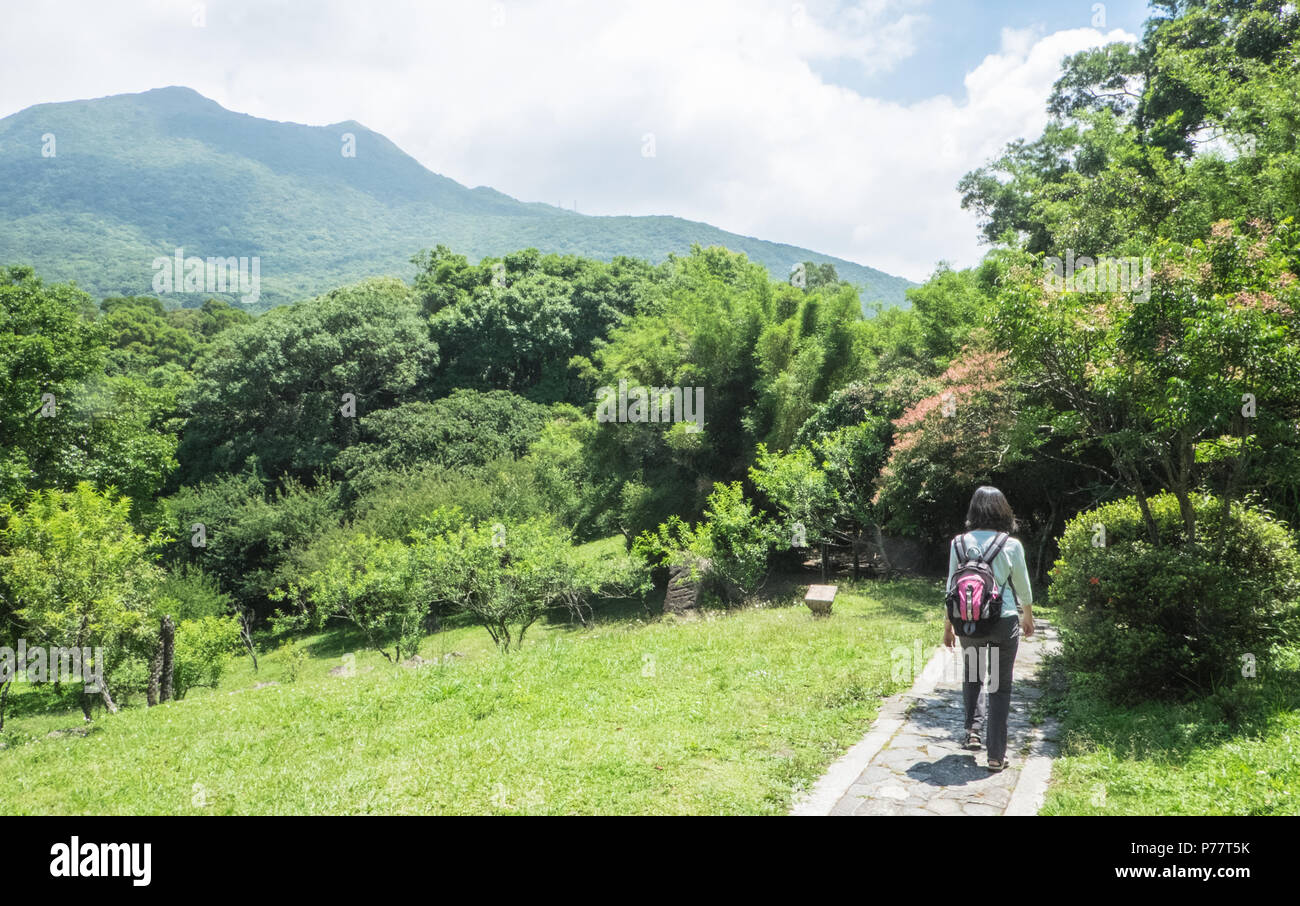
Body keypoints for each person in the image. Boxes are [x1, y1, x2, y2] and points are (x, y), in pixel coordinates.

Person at [943, 486, 1034, 771]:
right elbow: (1022, 585)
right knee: (999, 687)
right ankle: (996, 756)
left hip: (968, 622)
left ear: (973, 510)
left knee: (973, 676)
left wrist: (948, 627)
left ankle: (972, 732)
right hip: (1003, 621)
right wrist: (1028, 616)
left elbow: (950, 588)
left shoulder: (959, 543)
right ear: (1003, 511)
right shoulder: (1011, 544)